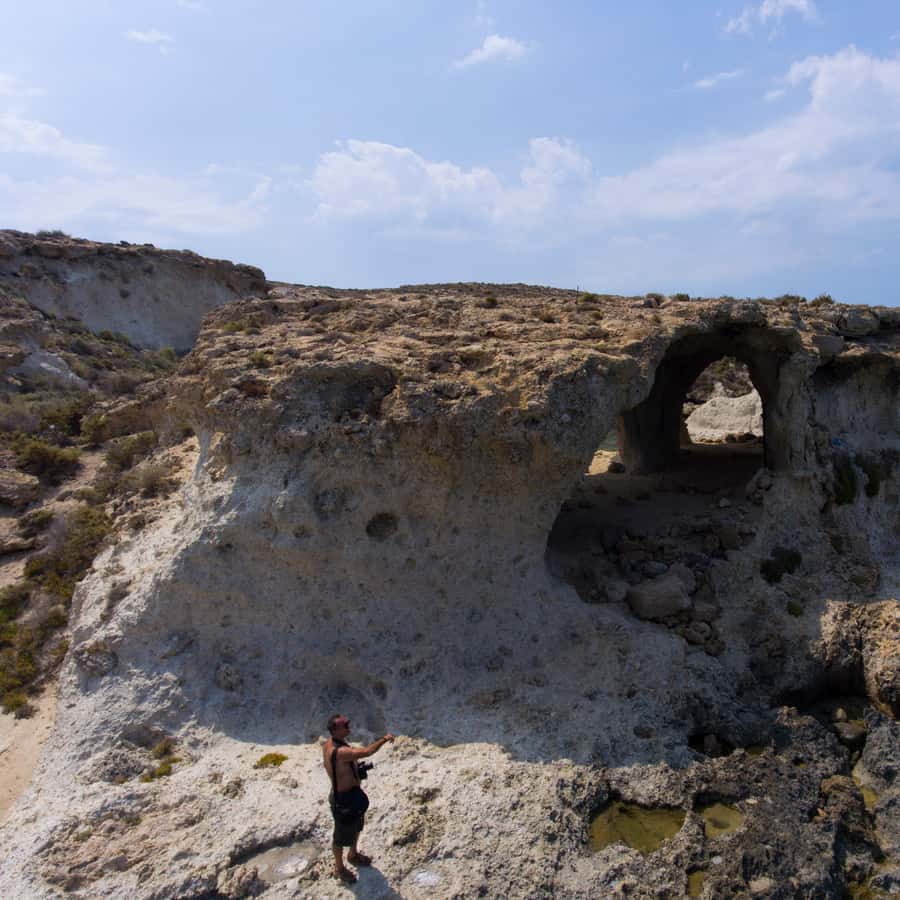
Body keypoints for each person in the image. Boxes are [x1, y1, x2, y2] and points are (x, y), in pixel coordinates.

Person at [323, 713, 395, 883]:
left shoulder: (330, 744)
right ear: (334, 730)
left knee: (357, 826)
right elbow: (367, 751)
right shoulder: (339, 751)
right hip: (344, 800)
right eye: (345, 725)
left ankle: (353, 854)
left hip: (353, 798)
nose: (349, 726)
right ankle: (339, 868)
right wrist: (384, 739)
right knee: (339, 837)